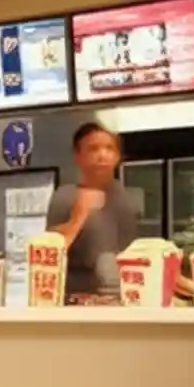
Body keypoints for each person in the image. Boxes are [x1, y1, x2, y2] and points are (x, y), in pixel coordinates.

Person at [45, 123, 138, 300]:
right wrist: (78, 217)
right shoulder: (65, 196)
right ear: (78, 156)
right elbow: (49, 255)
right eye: (93, 149)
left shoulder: (125, 198)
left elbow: (135, 254)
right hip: (75, 301)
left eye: (109, 148)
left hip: (120, 299)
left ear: (118, 156)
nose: (102, 155)